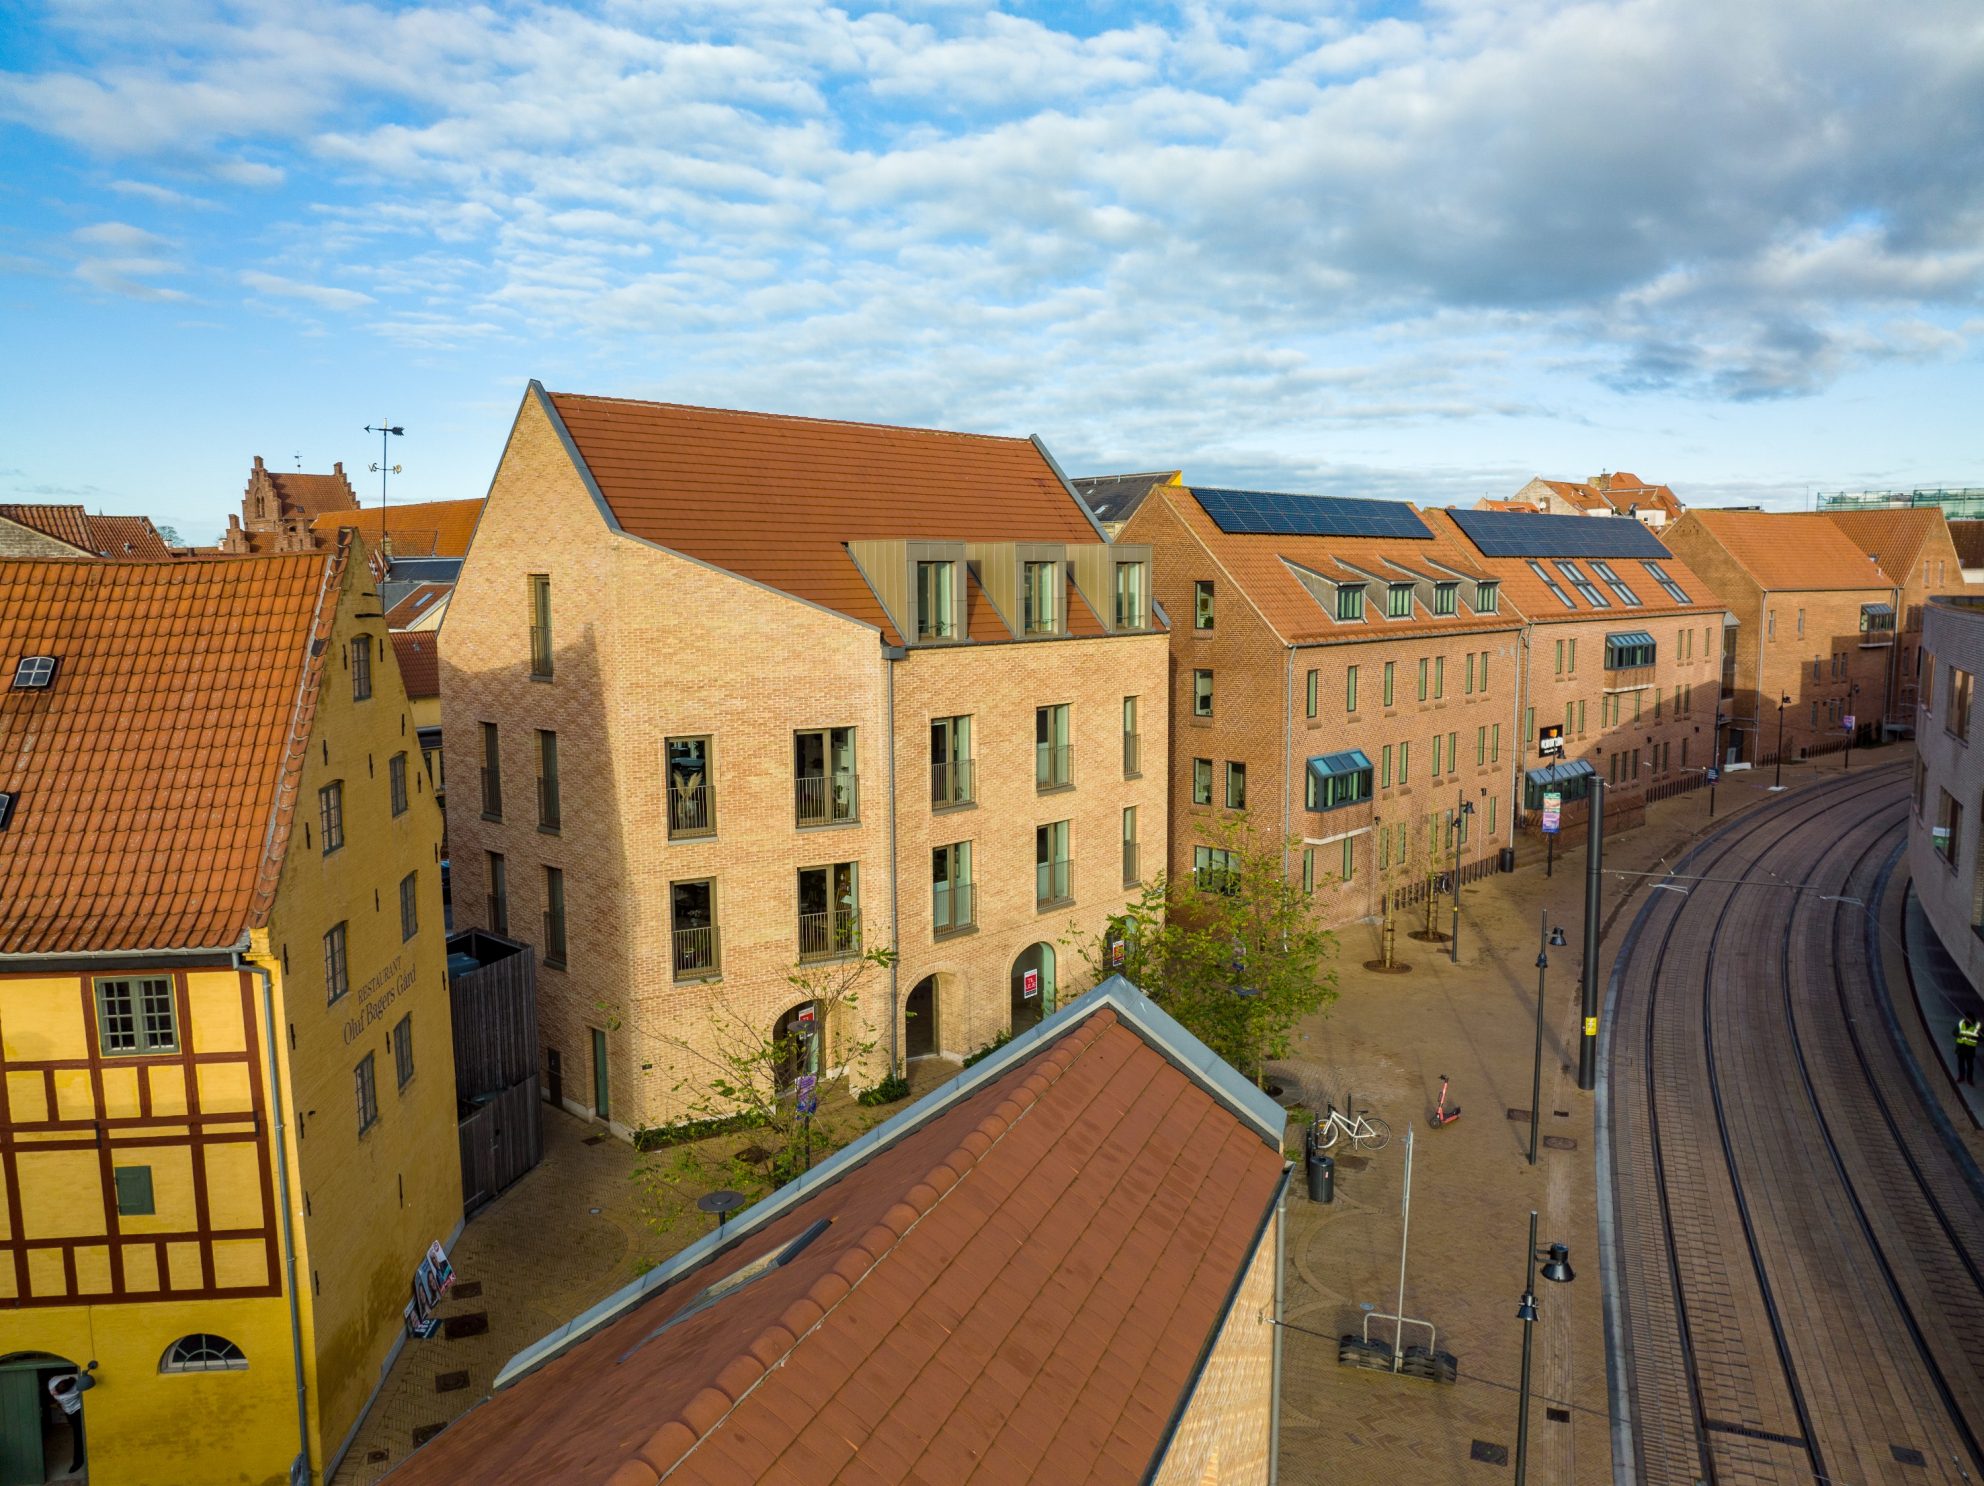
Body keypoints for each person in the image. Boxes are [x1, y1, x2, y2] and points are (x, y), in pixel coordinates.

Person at [47, 1371, 84, 1473]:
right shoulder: (53, 1382)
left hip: (76, 1411)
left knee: (78, 1435)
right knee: (76, 1429)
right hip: (69, 1411)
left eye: (57, 1393)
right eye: (55, 1390)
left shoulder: (75, 1390)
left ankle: (78, 1461)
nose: (54, 1393)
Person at [1956, 1014, 1980, 1086]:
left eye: (1969, 1018)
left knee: (1970, 1066)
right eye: (1967, 1018)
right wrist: (1959, 1035)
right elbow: (1954, 1032)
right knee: (1961, 1064)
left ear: (1972, 1019)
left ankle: (1969, 1079)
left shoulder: (1976, 1027)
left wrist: (1972, 1037)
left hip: (1970, 1050)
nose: (1968, 1020)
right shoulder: (1961, 1024)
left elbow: (1981, 1038)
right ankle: (1961, 1077)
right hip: (1961, 1048)